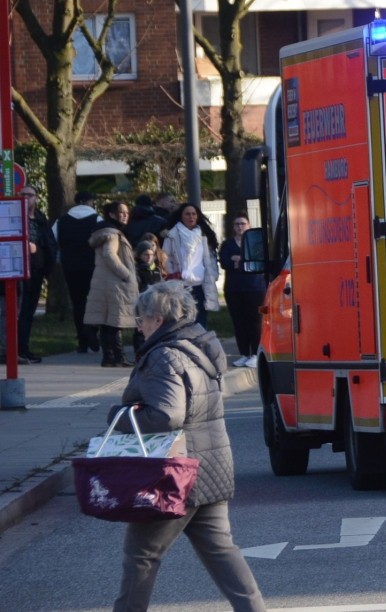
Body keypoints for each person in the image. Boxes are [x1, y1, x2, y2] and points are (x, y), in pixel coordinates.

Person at [110, 281, 268, 612]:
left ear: (158, 319)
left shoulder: (163, 355)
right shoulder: (200, 348)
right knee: (221, 550)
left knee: (141, 554)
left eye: (141, 319)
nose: (139, 326)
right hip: (210, 466)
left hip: (174, 473)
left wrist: (120, 416)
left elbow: (167, 415)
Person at [86, 204, 140, 367]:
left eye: (126, 212)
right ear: (112, 214)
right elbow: (109, 254)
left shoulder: (103, 231)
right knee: (116, 322)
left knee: (106, 321)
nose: (125, 215)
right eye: (121, 212)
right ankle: (119, 357)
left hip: (104, 282)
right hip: (115, 284)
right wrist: (126, 274)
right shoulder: (112, 233)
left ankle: (108, 358)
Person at [55, 190, 103, 353]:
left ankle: (82, 340)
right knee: (96, 300)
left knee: (78, 302)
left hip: (70, 266)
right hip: (93, 265)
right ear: (90, 201)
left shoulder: (61, 221)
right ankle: (93, 329)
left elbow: (53, 240)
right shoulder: (97, 220)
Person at [12, 186, 55, 363]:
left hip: (36, 271)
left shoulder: (40, 219)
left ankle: (23, 348)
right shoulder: (13, 217)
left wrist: (46, 266)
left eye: (29, 195)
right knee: (18, 312)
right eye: (22, 194)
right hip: (17, 273)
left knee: (28, 313)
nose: (26, 198)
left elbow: (50, 244)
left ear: (36, 198)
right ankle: (16, 349)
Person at [163, 203, 220, 330]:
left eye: (194, 214)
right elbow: (165, 258)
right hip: (180, 286)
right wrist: (172, 275)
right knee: (182, 321)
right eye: (187, 214)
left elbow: (210, 259)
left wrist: (213, 275)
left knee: (200, 322)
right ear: (181, 216)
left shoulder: (204, 235)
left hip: (200, 285)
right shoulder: (172, 235)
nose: (191, 217)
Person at [218, 213, 265, 367]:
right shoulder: (227, 244)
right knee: (239, 322)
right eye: (237, 224)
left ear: (249, 225)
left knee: (254, 322)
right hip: (234, 288)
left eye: (243, 223)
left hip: (254, 287)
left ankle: (255, 353)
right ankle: (244, 353)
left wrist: (239, 260)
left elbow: (258, 260)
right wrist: (238, 262)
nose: (240, 227)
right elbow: (225, 262)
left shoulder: (255, 242)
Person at [132, 237, 167, 356]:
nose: (149, 257)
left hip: (155, 302)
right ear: (140, 256)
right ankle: (140, 353)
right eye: (145, 255)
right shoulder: (137, 270)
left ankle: (152, 351)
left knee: (155, 327)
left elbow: (161, 284)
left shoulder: (156, 270)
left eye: (151, 255)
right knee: (141, 329)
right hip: (142, 302)